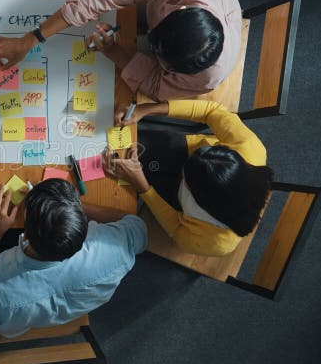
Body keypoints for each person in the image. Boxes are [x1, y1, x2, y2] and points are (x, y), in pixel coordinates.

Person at [0, 0, 241, 101]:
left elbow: (155, 86)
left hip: (207, 32)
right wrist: (30, 40)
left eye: (168, 68)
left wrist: (114, 51)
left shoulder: (209, 76)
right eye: (155, 50)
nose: (161, 65)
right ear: (179, 8)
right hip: (166, 2)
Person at [0, 179, 147, 338]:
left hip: (12, 318)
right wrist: (71, 208)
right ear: (82, 226)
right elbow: (137, 225)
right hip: (66, 307)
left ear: (25, 233)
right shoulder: (115, 248)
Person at [103, 100, 273, 257]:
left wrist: (142, 186)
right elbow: (211, 111)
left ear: (196, 199)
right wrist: (146, 109)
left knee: (112, 188)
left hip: (177, 207)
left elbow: (176, 228)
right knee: (125, 146)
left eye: (186, 179)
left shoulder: (214, 243)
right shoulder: (250, 149)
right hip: (192, 164)